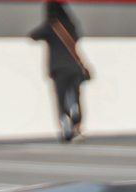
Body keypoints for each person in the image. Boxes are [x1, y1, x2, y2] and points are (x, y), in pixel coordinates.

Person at [29, 1, 93, 144]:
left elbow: (33, 35)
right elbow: (77, 37)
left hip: (59, 69)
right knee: (75, 96)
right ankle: (76, 119)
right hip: (74, 67)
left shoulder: (50, 26)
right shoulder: (71, 25)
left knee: (61, 99)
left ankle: (67, 128)